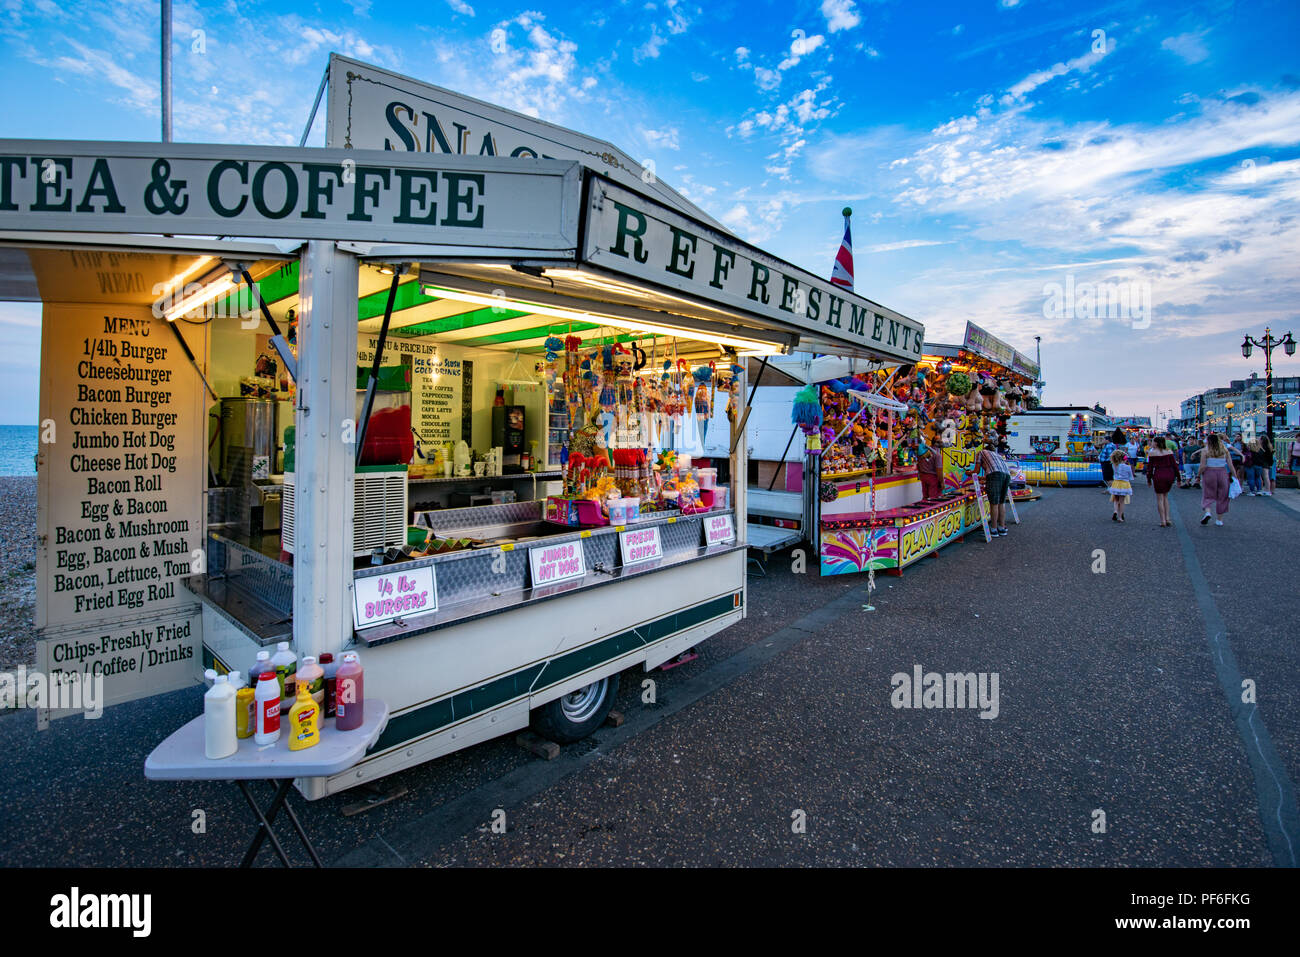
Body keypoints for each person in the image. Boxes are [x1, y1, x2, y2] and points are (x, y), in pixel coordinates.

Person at [1198, 432, 1238, 526]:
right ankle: (1219, 520)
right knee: (1223, 496)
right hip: (1222, 473)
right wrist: (1235, 476)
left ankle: (1208, 512)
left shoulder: (1205, 451)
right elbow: (1230, 465)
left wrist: (1198, 475)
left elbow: (1202, 465)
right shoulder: (1224, 450)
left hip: (1209, 473)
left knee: (1208, 494)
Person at [974, 445, 1012, 537]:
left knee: (994, 503)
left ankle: (993, 529)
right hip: (1007, 475)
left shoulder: (981, 452)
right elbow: (996, 472)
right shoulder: (997, 455)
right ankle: (1002, 528)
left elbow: (976, 470)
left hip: (996, 475)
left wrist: (968, 473)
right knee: (1001, 502)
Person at [1145, 437, 1178, 526]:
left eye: (1152, 441)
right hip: (1169, 474)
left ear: (1156, 443)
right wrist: (1178, 478)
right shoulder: (1169, 452)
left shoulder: (1152, 453)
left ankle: (1162, 520)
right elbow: (1175, 466)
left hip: (1159, 474)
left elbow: (1150, 468)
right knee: (1165, 497)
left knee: (1159, 498)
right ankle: (1168, 518)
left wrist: (1149, 479)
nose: (1151, 443)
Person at [1109, 450, 1133, 522]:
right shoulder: (1127, 467)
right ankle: (1120, 517)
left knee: (1116, 499)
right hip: (1124, 484)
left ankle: (1115, 511)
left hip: (1116, 483)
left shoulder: (1114, 465)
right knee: (1122, 501)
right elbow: (1131, 477)